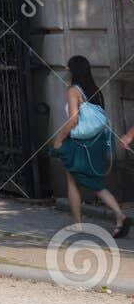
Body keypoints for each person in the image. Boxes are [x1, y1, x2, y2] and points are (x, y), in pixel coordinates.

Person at [51, 55, 128, 238]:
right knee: (96, 182)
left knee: (74, 182)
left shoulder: (73, 91)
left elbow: (73, 119)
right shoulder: (94, 90)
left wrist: (59, 139)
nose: (67, 70)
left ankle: (80, 224)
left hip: (79, 143)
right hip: (96, 141)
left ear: (73, 70)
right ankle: (119, 216)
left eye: (69, 67)